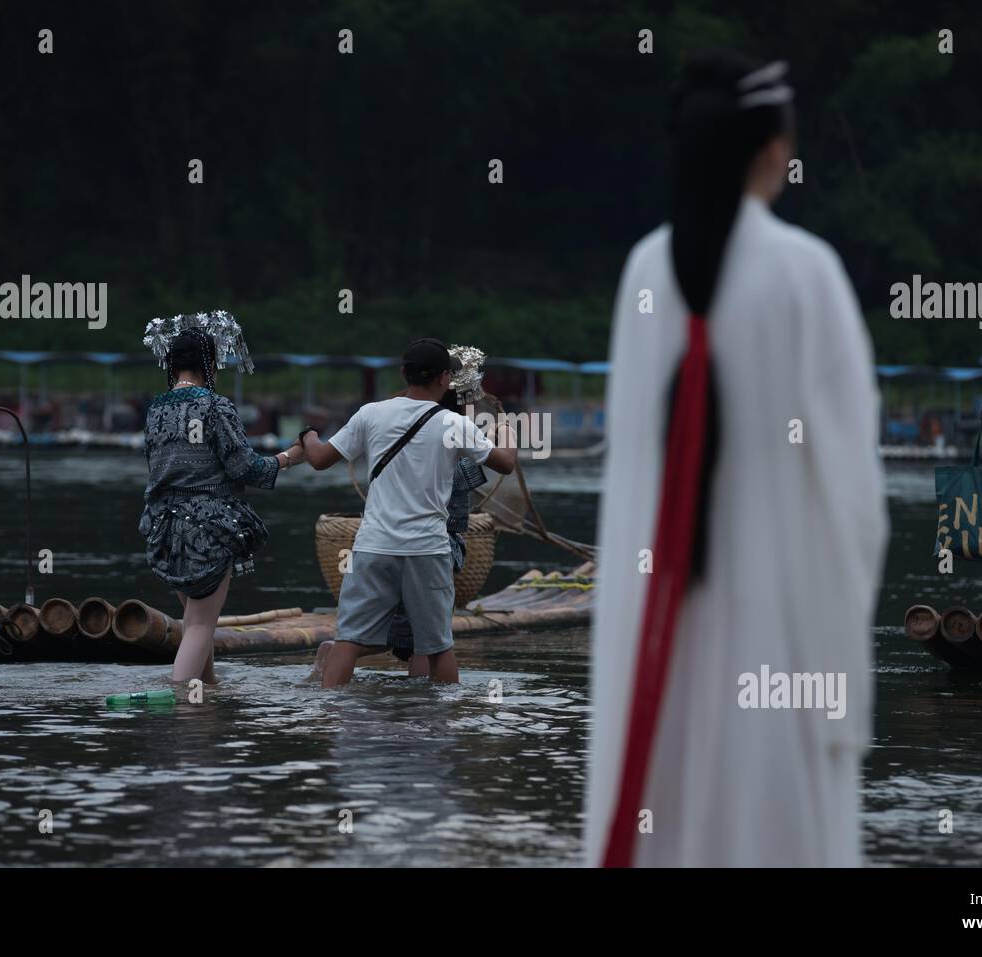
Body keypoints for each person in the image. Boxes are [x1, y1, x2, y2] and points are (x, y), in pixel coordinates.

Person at [585, 52, 888, 867]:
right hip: (776, 634)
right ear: (771, 149)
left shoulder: (644, 270)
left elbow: (630, 475)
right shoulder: (805, 273)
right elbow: (855, 497)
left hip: (655, 623)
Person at [300, 337, 517, 687]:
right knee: (438, 647)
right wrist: (507, 431)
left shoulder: (370, 413)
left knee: (348, 640)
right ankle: (443, 714)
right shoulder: (454, 424)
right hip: (427, 549)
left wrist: (308, 436)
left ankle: (331, 712)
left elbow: (320, 459)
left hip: (373, 546)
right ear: (445, 378)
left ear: (403, 373)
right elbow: (505, 463)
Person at [138, 318, 304, 686]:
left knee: (194, 621)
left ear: (171, 366)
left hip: (164, 526)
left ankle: (207, 690)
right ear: (210, 365)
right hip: (208, 527)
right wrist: (290, 457)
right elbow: (246, 468)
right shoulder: (215, 407)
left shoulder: (155, 410)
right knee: (200, 625)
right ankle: (182, 699)